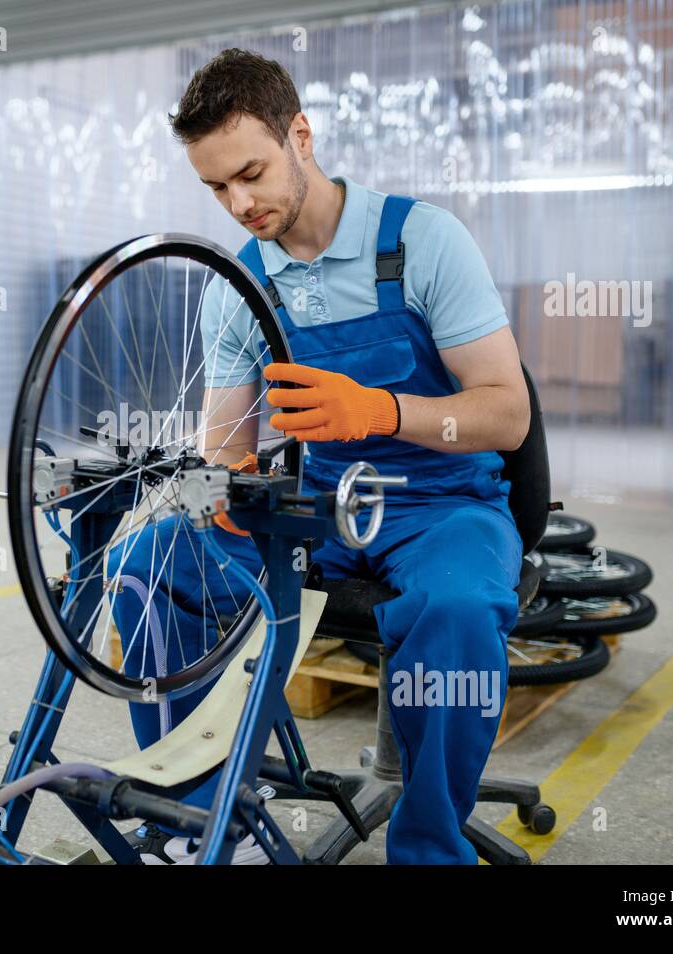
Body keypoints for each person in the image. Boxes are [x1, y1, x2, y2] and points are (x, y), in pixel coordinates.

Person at [110, 48, 530, 865]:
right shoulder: (236, 285)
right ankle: (202, 823)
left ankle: (431, 845)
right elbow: (227, 452)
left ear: (300, 136)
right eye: (216, 188)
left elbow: (507, 414)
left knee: (456, 612)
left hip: (443, 506)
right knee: (145, 567)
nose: (239, 203)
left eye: (251, 173)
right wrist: (215, 484)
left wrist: (379, 408)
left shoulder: (422, 242)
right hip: (322, 510)